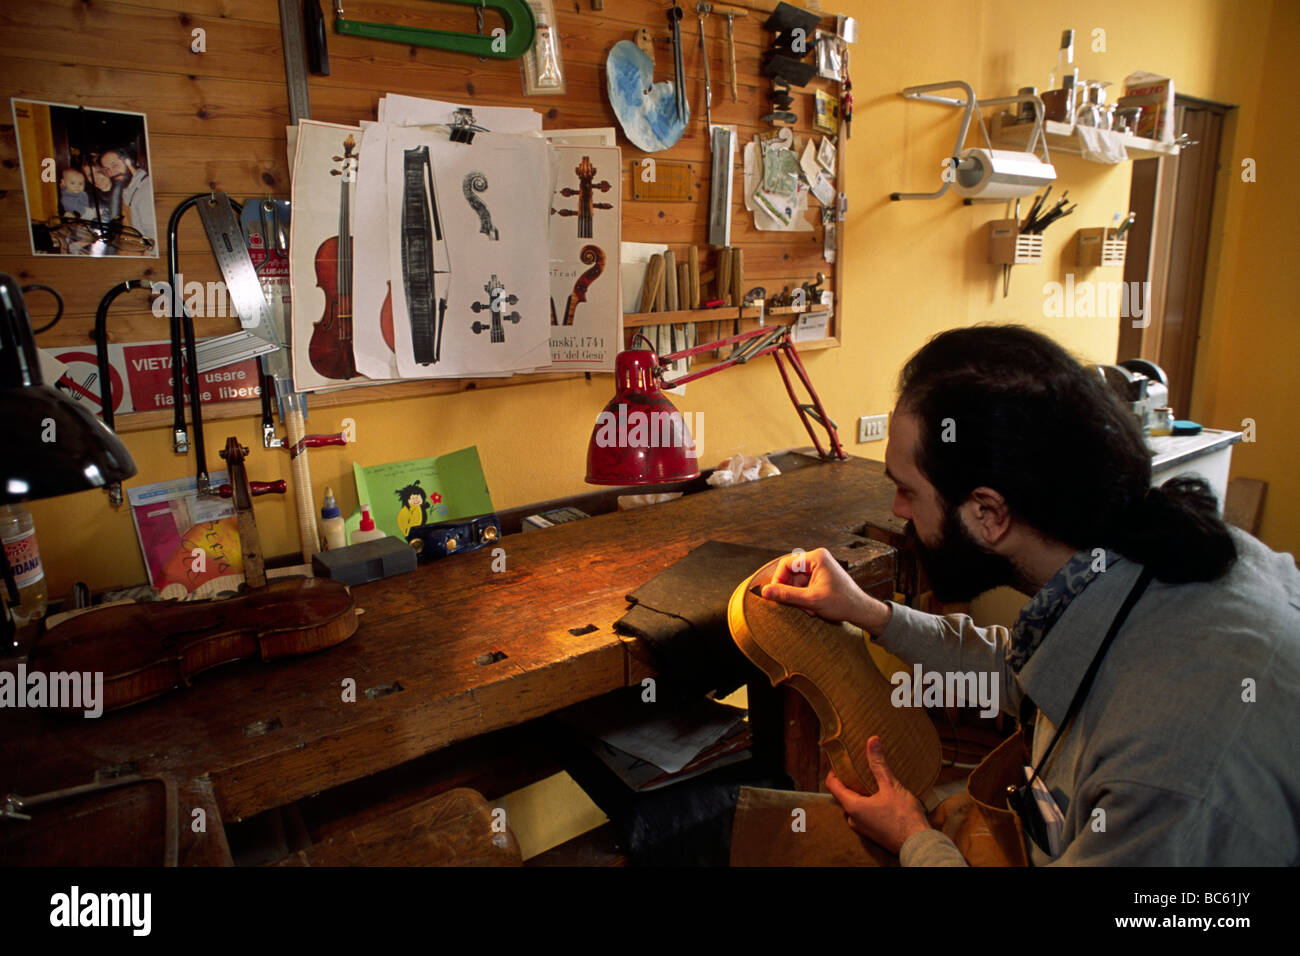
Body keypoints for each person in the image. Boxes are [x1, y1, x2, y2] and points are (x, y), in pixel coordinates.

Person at [761, 324, 1300, 865]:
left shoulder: (1168, 770)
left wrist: (914, 841)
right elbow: (1032, 671)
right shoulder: (1137, 562)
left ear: (988, 513)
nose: (899, 511)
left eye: (907, 490)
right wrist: (872, 613)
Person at [99, 146, 157, 249]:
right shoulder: (126, 189)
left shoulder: (145, 190)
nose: (111, 172)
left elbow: (154, 242)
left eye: (115, 165)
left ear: (129, 162)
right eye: (107, 169)